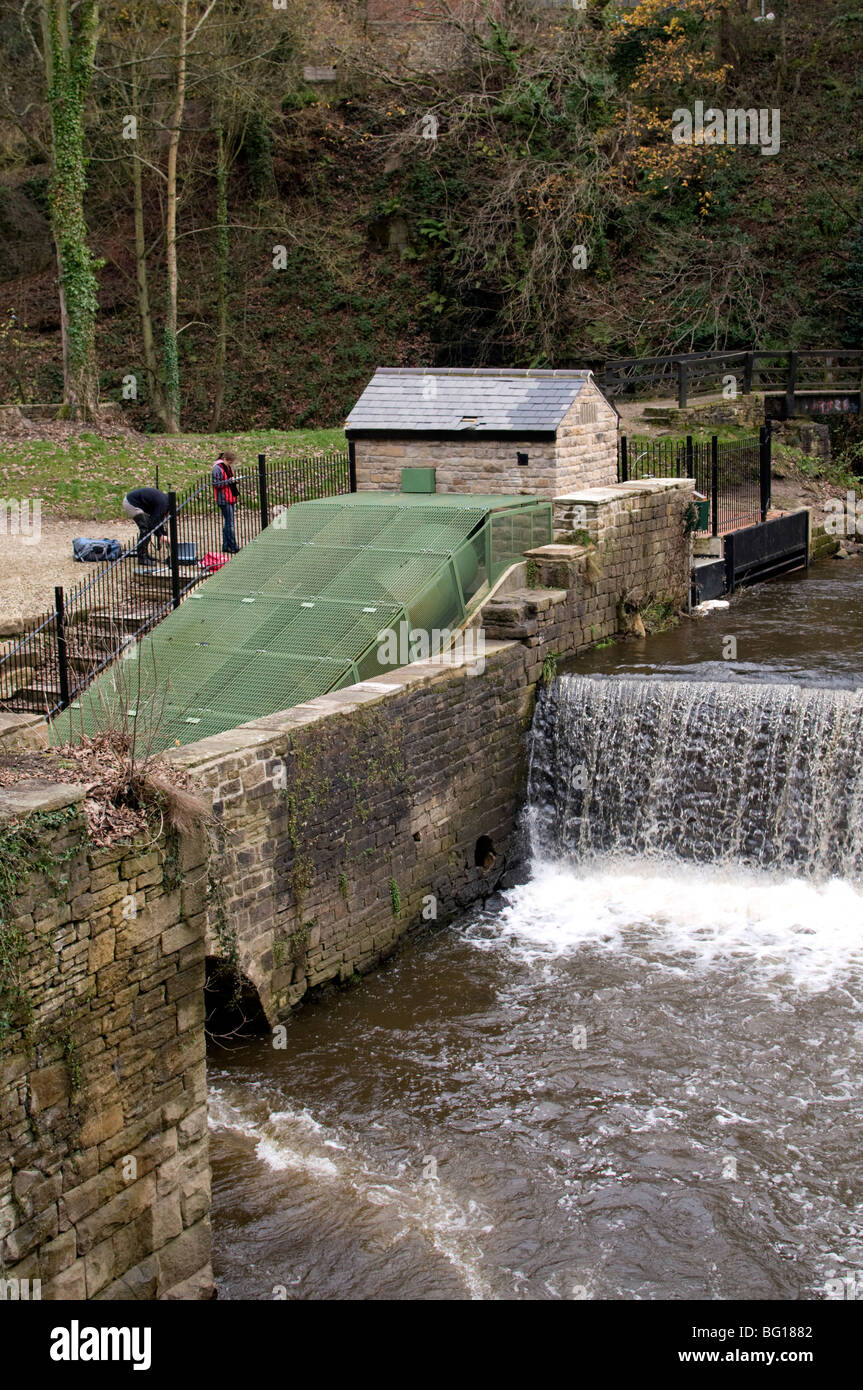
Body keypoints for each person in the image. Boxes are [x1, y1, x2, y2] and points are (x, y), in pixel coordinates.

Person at [122, 486, 170, 567]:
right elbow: (152, 523)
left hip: (135, 501)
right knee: (146, 529)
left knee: (148, 528)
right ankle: (142, 558)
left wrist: (163, 534)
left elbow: (157, 521)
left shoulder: (165, 503)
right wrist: (161, 536)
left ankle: (145, 555)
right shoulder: (163, 505)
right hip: (131, 503)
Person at [212, 450, 240, 554]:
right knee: (230, 523)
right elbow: (216, 484)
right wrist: (229, 481)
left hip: (231, 496)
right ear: (224, 459)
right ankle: (233, 545)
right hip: (224, 499)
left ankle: (226, 545)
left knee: (228, 523)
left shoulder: (226, 467)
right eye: (229, 462)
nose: (230, 465)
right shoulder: (217, 468)